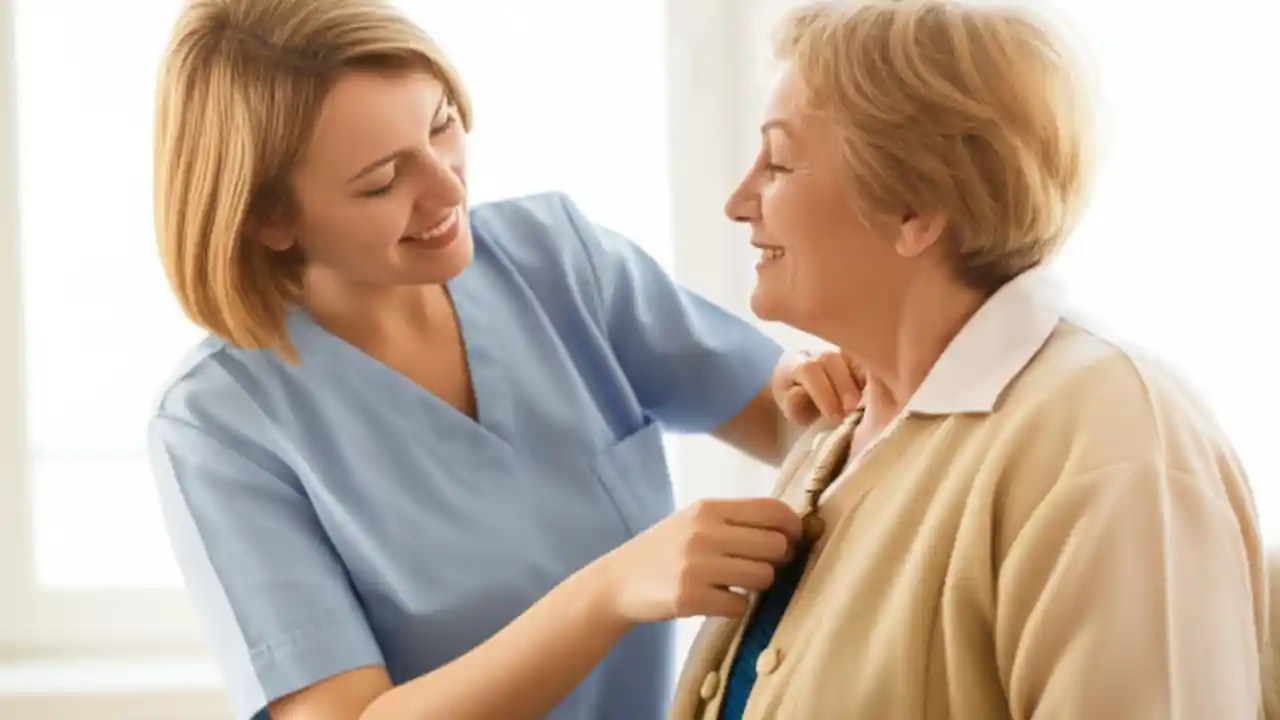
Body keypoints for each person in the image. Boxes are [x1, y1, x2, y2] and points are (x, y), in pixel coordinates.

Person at [147, 1, 862, 719]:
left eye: (441, 126)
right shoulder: (220, 426)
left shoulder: (554, 258)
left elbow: (780, 418)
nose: (449, 188)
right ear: (271, 217)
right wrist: (608, 592)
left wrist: (813, 388)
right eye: (382, 181)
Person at [671, 2, 1271, 719]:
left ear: (915, 206)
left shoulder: (1106, 434)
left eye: (779, 162)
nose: (739, 204)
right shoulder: (838, 439)